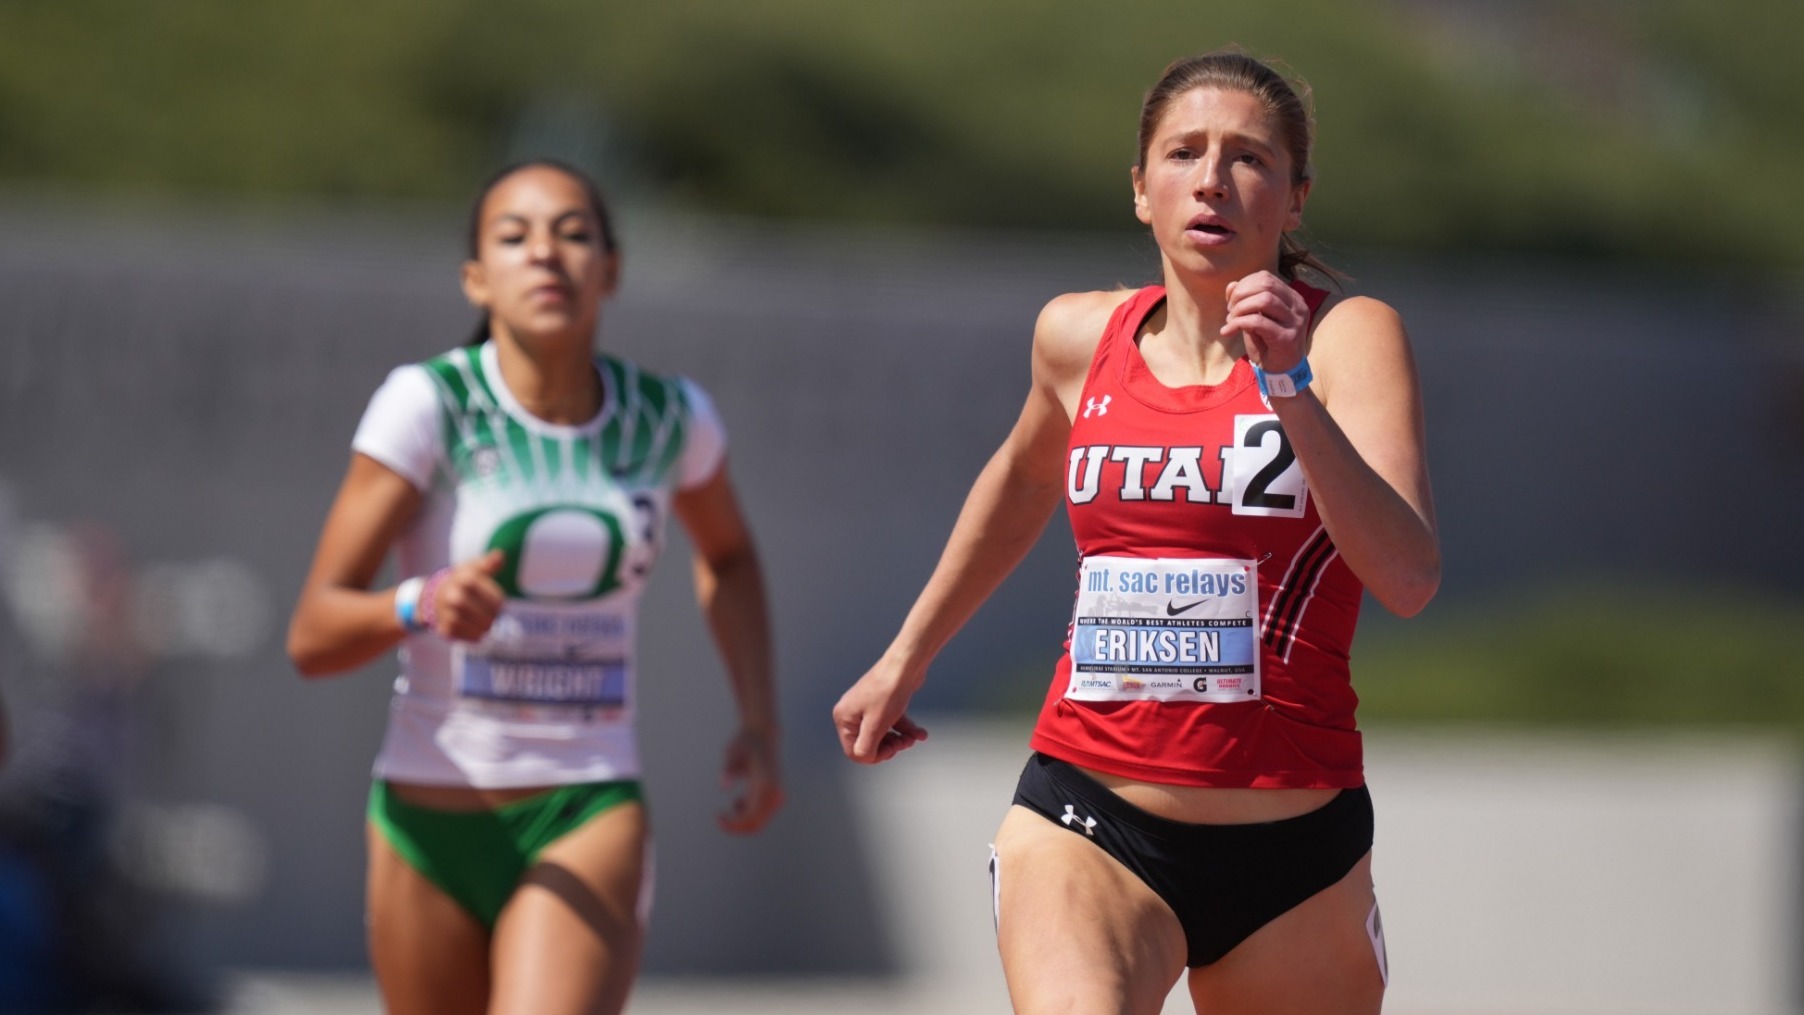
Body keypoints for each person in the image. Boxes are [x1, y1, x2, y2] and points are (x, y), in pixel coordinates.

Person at [834, 50, 1439, 1014]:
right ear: (1140, 190)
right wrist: (905, 655)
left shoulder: (1347, 338)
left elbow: (1406, 575)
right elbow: (1021, 478)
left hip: (1296, 848)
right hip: (1090, 814)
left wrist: (1287, 386)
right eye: (1182, 153)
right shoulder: (1078, 337)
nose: (1211, 180)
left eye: (1248, 158)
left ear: (1294, 198)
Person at [288, 159, 782, 1015]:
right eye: (513, 237)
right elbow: (314, 633)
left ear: (613, 268)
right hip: (427, 807)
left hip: (586, 797)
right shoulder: (430, 405)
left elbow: (731, 556)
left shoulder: (671, 418)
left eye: (574, 233)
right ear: (477, 276)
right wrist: (421, 602)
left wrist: (758, 720)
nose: (545, 254)